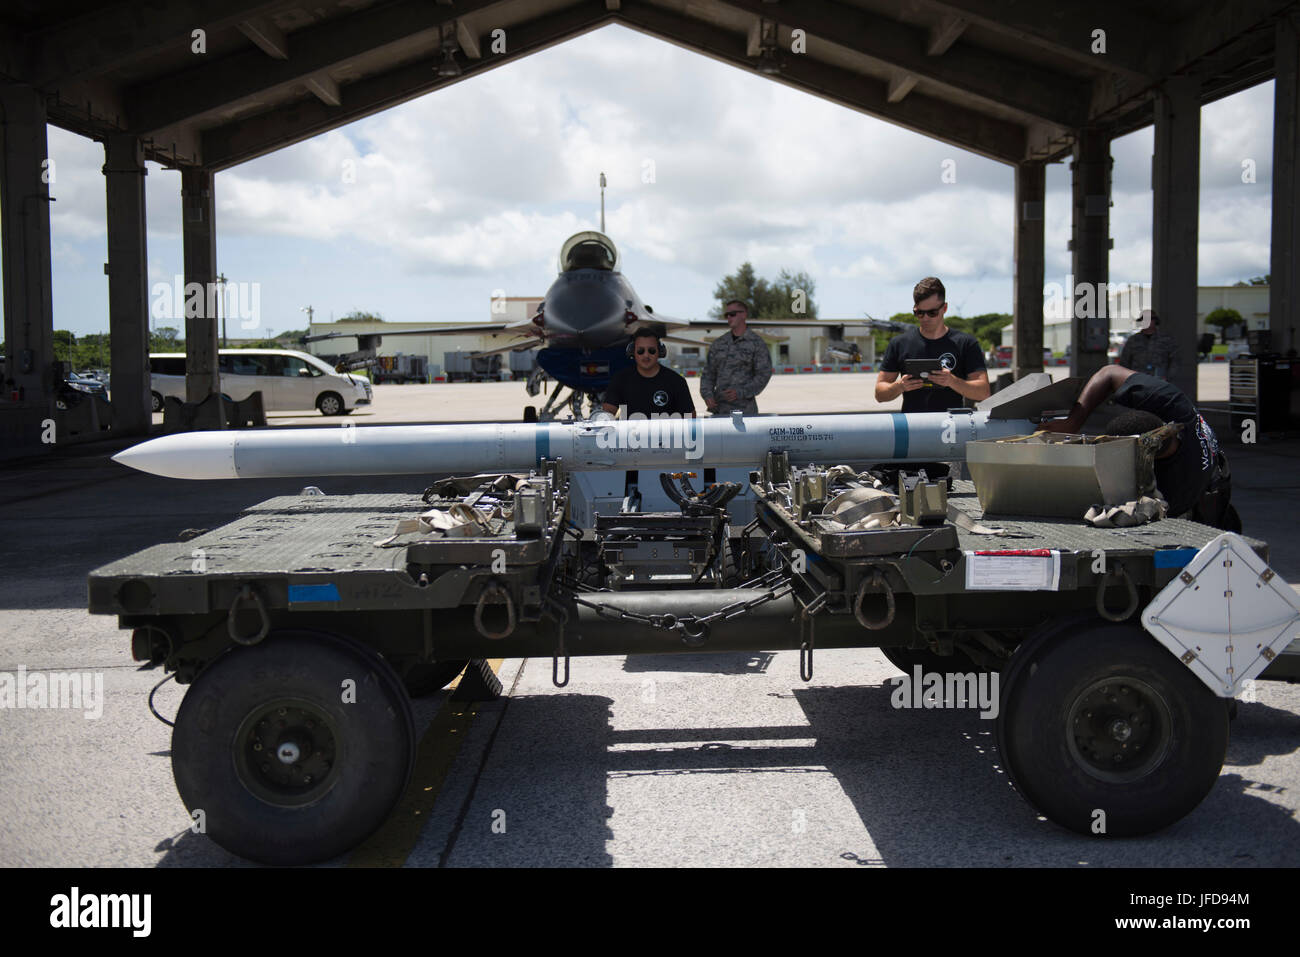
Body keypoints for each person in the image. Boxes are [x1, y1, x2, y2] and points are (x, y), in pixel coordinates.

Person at [1042, 364, 1238, 530]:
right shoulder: (1176, 407)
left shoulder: (1173, 492)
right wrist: (1073, 421)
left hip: (1208, 519)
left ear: (1142, 458)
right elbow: (1109, 373)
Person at [875, 277, 990, 412]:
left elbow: (983, 392)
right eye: (919, 313)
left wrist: (952, 381)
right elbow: (879, 394)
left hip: (952, 427)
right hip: (913, 426)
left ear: (945, 308)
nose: (925, 318)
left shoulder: (965, 343)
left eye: (932, 312)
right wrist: (900, 386)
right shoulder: (899, 344)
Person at [602, 327, 694, 418]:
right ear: (632, 352)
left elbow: (691, 418)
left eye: (651, 351)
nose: (646, 355)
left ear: (660, 352)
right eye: (640, 351)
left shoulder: (677, 381)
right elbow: (607, 414)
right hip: (632, 433)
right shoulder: (620, 380)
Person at [701, 299, 772, 415]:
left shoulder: (756, 344)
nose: (729, 318)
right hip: (720, 409)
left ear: (744, 315)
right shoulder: (719, 344)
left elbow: (763, 374)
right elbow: (708, 373)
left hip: (745, 410)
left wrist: (741, 392)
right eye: (726, 315)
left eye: (732, 314)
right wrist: (707, 395)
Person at [1117, 309, 1179, 380]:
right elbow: (1124, 362)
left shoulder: (1166, 339)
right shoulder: (1133, 340)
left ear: (1155, 321)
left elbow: (1175, 360)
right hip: (1138, 381)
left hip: (1159, 382)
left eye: (1150, 319)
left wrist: (1168, 377)